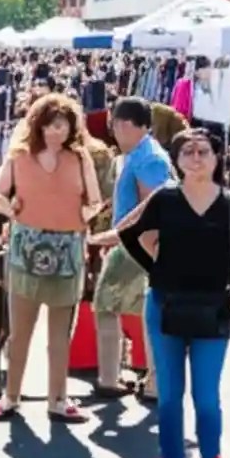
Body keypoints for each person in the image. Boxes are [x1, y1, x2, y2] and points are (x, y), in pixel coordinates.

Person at [97, 128, 230, 458]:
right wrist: (155, 266)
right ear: (177, 159)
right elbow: (132, 234)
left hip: (215, 307)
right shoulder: (165, 198)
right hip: (165, 304)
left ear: (216, 158)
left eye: (203, 152)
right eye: (188, 152)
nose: (196, 158)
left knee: (207, 396)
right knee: (168, 395)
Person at [0, 93, 102, 423]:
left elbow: (94, 200)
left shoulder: (80, 158)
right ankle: (10, 396)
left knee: (59, 335)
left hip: (67, 251)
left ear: (72, 127)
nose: (56, 131)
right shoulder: (19, 155)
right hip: (26, 249)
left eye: (62, 125)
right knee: (19, 332)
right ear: (38, 125)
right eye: (51, 125)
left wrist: (84, 217)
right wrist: (11, 211)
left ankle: (58, 400)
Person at [91, 96, 171, 400]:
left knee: (108, 305)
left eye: (116, 124)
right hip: (135, 244)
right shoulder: (139, 154)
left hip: (137, 245)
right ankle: (146, 381)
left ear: (127, 125)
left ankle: (115, 378)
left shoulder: (148, 159)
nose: (114, 130)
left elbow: (152, 209)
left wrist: (111, 238)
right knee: (145, 312)